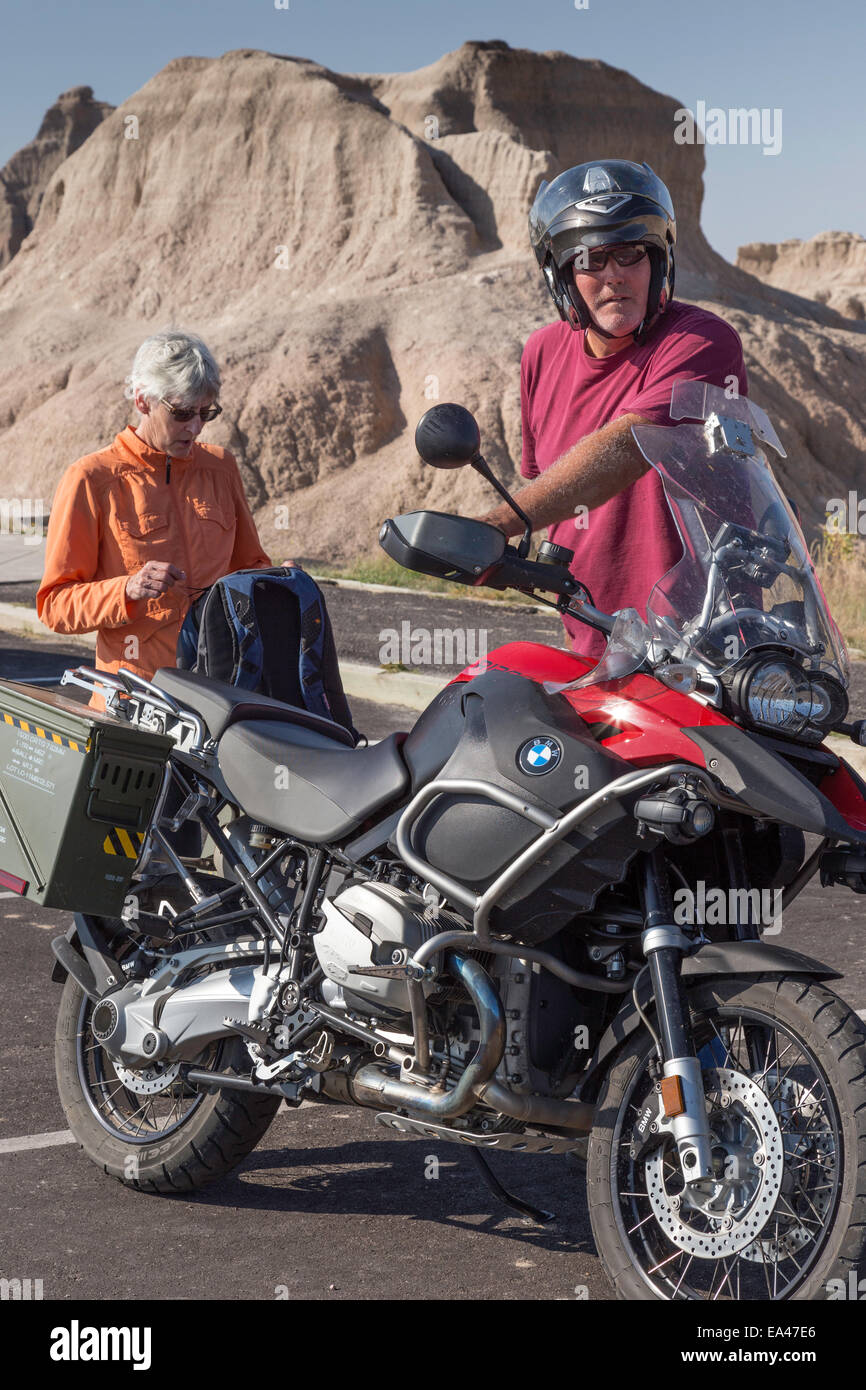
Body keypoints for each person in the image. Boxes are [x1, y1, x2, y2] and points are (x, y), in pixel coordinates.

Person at [478, 159, 748, 661]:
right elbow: (557, 494)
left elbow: (628, 446)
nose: (614, 277)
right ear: (561, 274)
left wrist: (498, 524)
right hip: (593, 639)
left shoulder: (702, 341)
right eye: (590, 260)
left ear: (659, 262)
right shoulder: (541, 352)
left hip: (702, 646)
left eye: (630, 255)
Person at [37, 329, 281, 680]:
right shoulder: (91, 478)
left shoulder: (221, 467)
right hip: (136, 698)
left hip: (222, 691)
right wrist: (126, 589)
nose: (195, 427)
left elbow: (249, 569)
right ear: (142, 401)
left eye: (205, 413)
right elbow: (55, 606)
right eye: (182, 413)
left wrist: (278, 581)